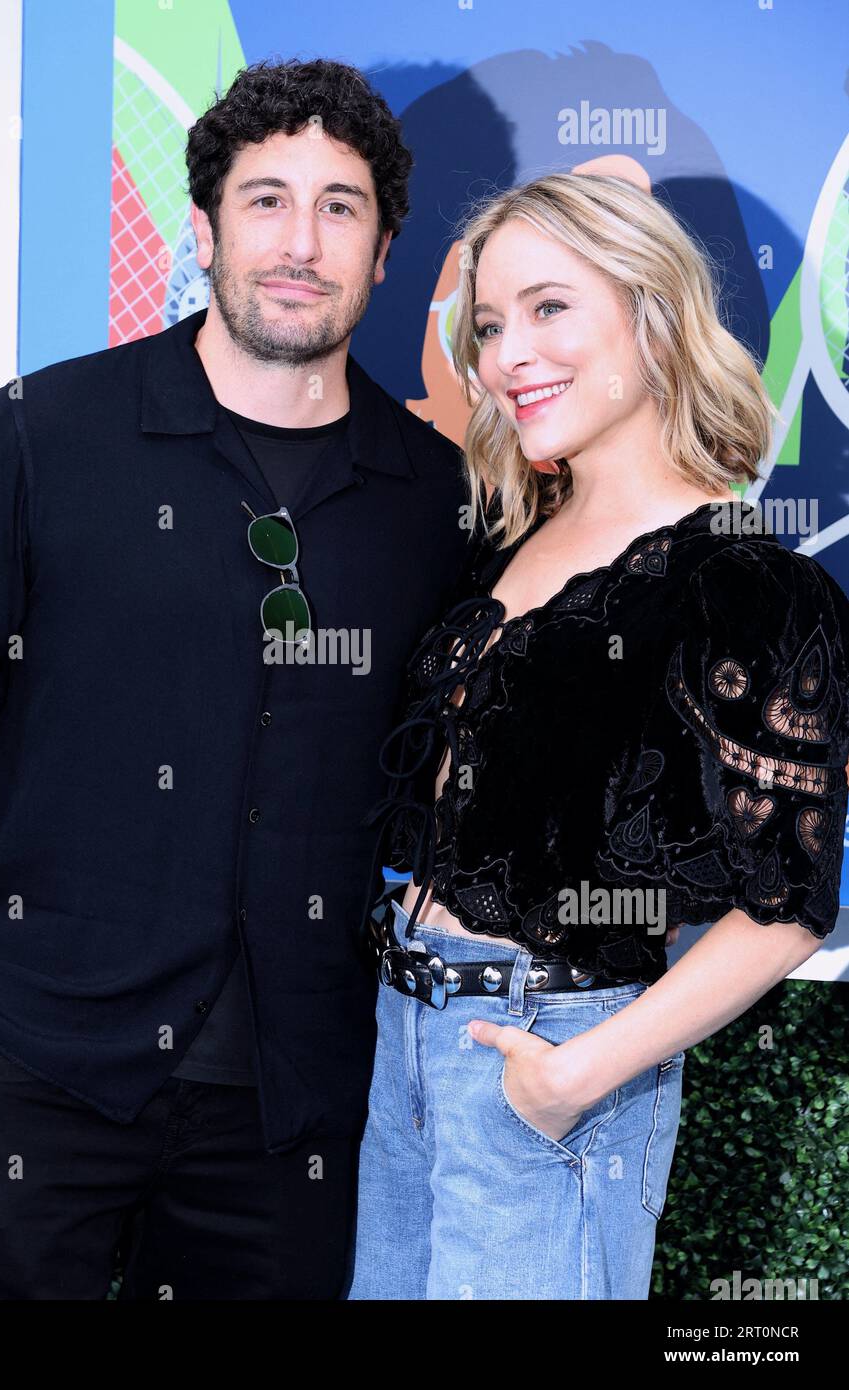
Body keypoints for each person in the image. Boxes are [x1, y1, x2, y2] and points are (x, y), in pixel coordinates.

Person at [0, 57, 471, 1300]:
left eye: (340, 207)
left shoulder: (436, 498)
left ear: (386, 250)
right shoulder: (43, 434)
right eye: (266, 199)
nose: (301, 241)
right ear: (203, 226)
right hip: (30, 1073)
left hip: (291, 1117)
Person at [346, 172, 849, 1300]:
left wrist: (573, 1078)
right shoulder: (501, 546)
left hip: (549, 1063)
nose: (505, 352)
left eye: (549, 307)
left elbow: (785, 909)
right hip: (402, 1050)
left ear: (651, 309)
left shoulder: (750, 587)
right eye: (487, 324)